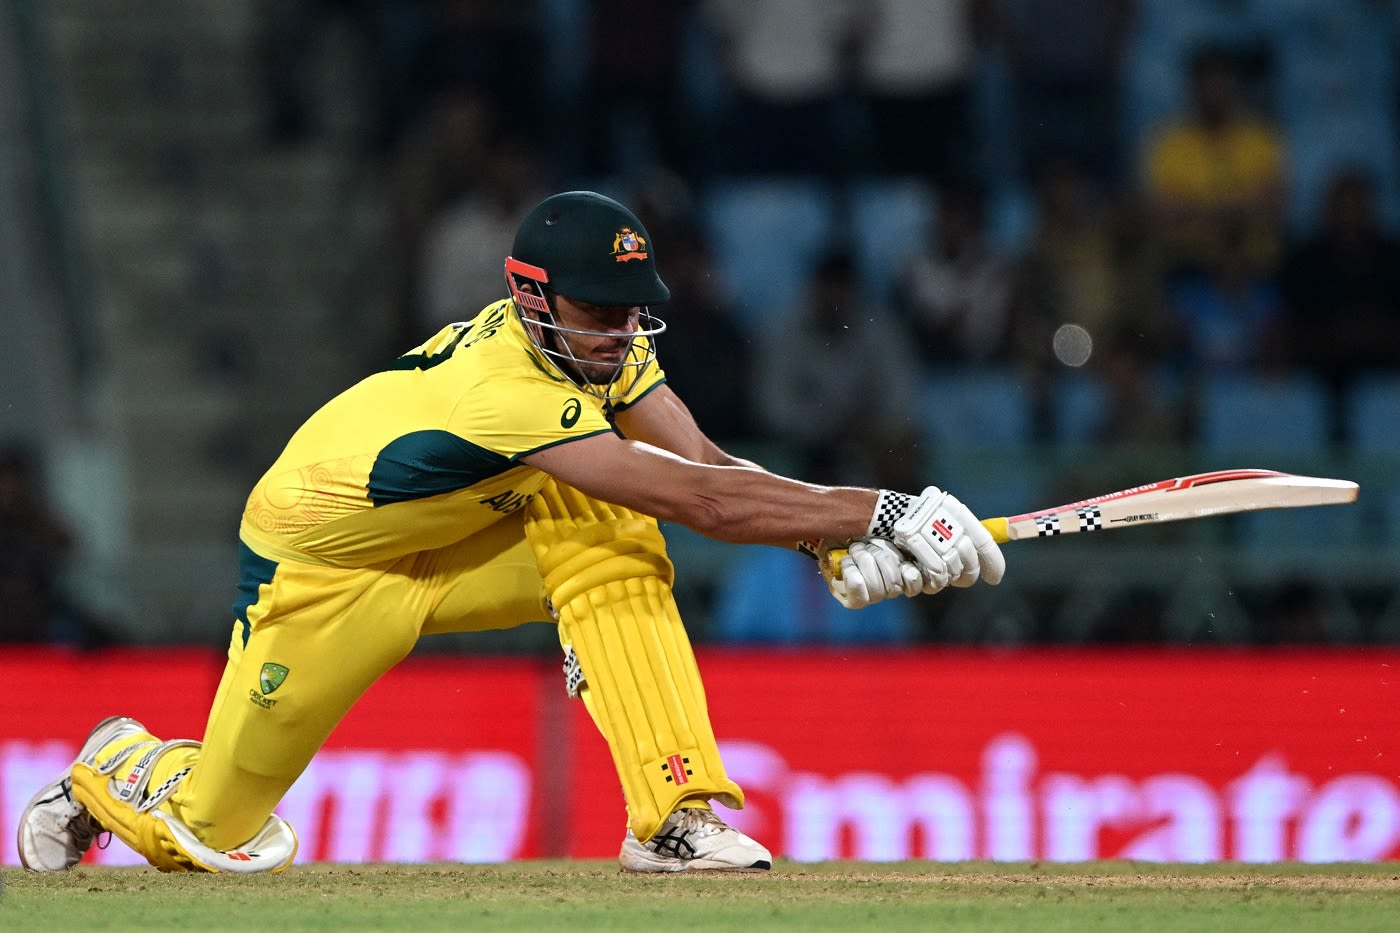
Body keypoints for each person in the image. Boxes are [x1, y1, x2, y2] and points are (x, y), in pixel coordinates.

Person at [17, 191, 1004, 876]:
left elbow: (700, 463)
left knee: (610, 524)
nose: (619, 332)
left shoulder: (592, 350)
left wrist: (832, 541)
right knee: (210, 833)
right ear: (533, 298)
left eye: (631, 314)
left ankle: (670, 819)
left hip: (453, 546)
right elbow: (700, 504)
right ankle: (120, 765)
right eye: (598, 312)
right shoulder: (508, 389)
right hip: (317, 574)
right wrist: (879, 512)